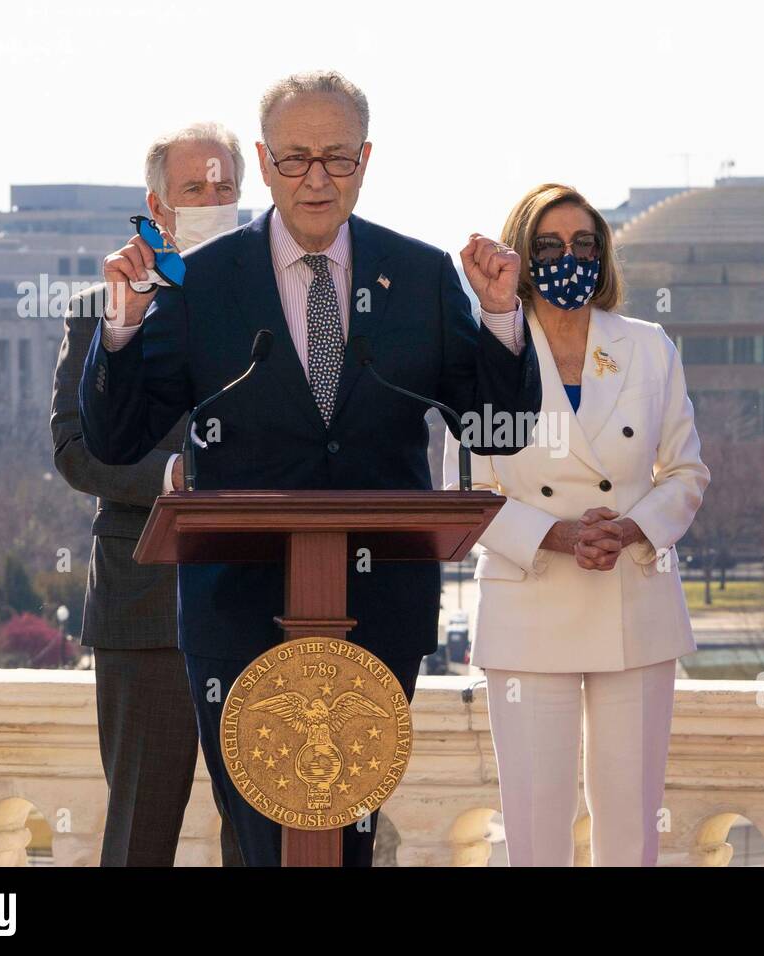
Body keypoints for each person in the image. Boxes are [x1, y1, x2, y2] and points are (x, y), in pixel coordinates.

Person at [78, 71, 542, 867]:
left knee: (346, 830)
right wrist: (119, 329)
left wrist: (501, 317)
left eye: (335, 157)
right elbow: (117, 439)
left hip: (379, 603)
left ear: (366, 159)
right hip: (236, 609)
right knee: (263, 835)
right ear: (263, 161)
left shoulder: (424, 275)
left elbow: (497, 425)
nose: (316, 180)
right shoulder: (202, 281)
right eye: (295, 160)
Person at [443, 184, 708, 865]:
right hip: (529, 613)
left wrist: (629, 530)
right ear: (521, 257)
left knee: (631, 830)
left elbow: (686, 474)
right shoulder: (481, 353)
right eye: (551, 246)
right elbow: (466, 495)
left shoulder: (648, 347)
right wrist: (558, 535)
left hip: (635, 604)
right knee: (535, 829)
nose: (571, 257)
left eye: (584, 244)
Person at [51, 122, 244, 866]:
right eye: (194, 188)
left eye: (225, 187)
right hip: (143, 611)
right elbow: (75, 451)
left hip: (258, 606)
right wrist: (172, 480)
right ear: (156, 204)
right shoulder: (100, 310)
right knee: (139, 837)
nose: (211, 199)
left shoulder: (272, 304)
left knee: (262, 832)